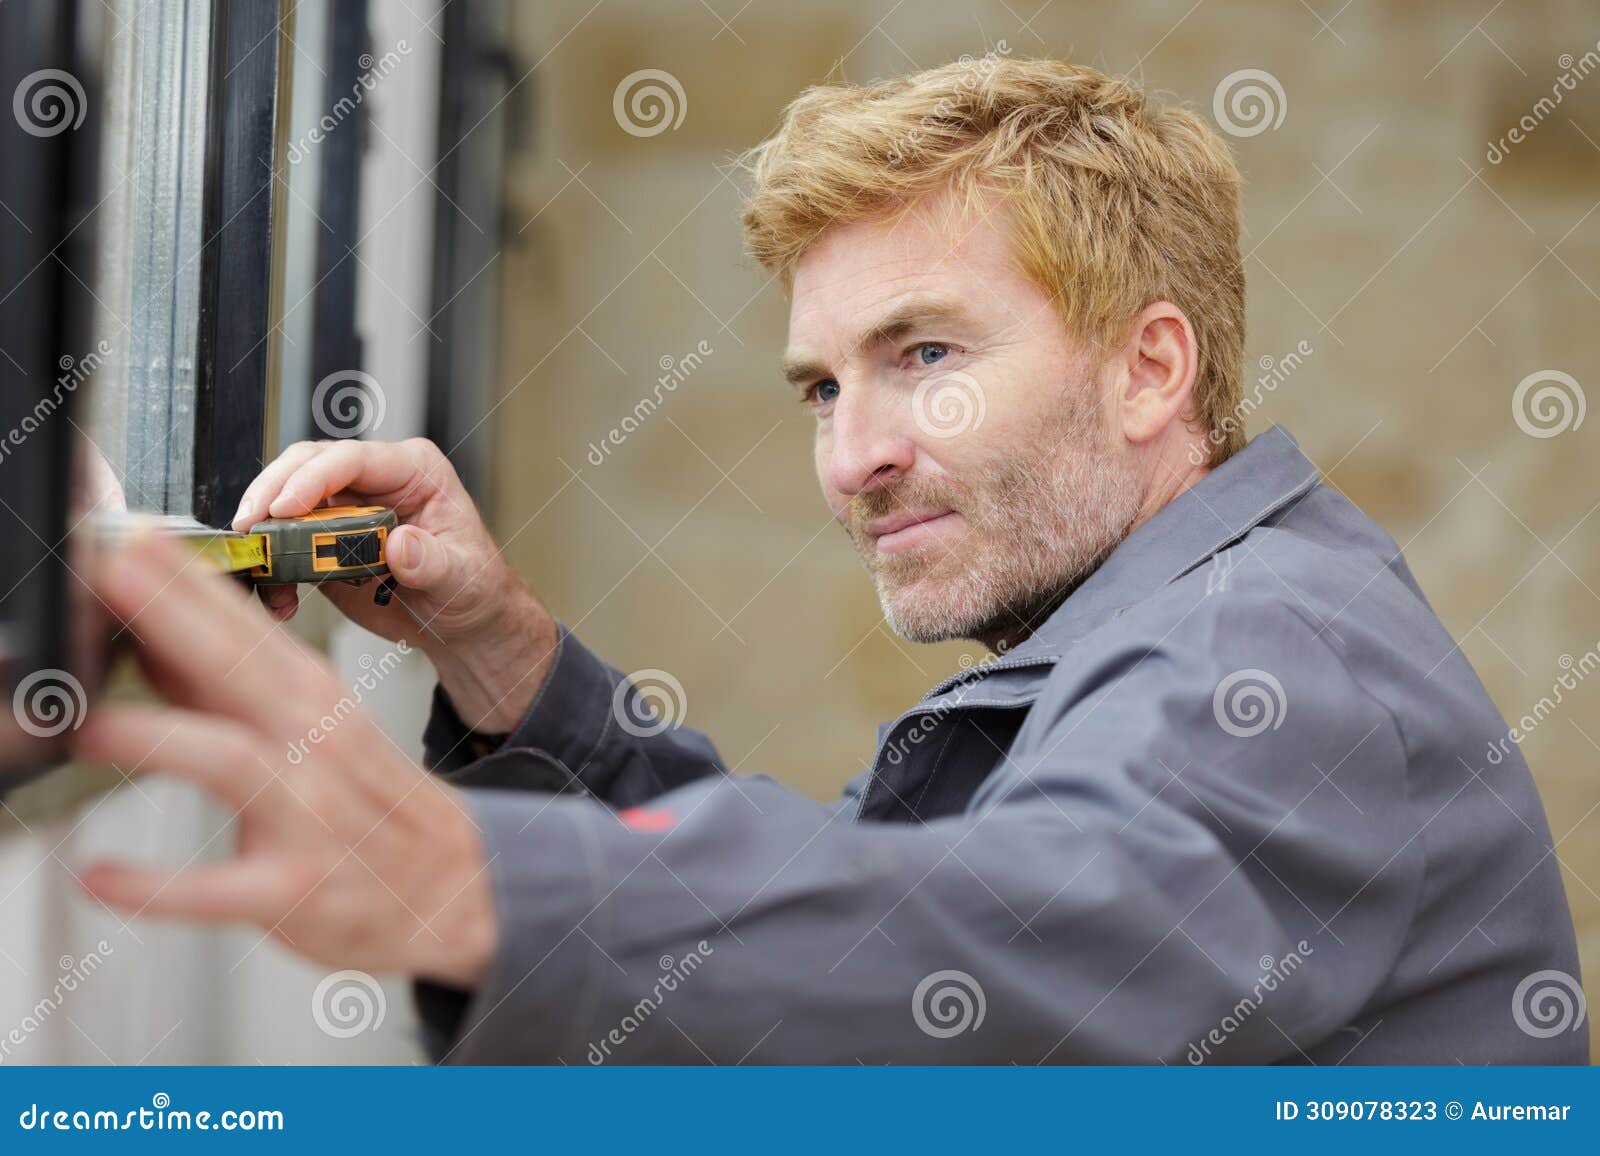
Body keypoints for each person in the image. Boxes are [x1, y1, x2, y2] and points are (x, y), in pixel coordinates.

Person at [74, 57, 1584, 1064]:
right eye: (821, 386)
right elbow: (861, 906)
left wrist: (484, 884)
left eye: (922, 353)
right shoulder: (1162, 620)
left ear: (1149, 373)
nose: (851, 458)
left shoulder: (1264, 661)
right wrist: (506, 659)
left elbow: (1009, 965)